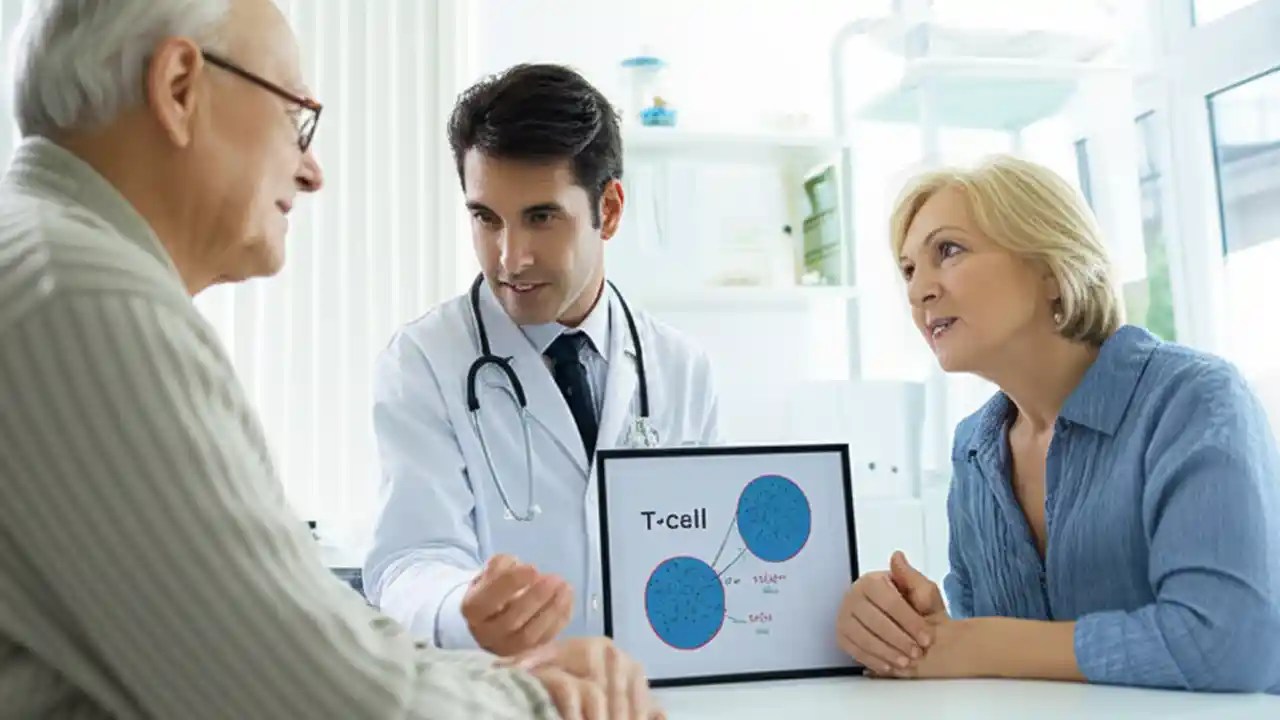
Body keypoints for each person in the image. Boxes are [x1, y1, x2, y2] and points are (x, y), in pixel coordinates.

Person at [0, 1, 660, 718]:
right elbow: (291, 691)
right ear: (180, 88)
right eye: (295, 116)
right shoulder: (85, 299)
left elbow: (298, 626)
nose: (312, 171)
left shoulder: (51, 271)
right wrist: (545, 702)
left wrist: (512, 684)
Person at [836, 154, 1280, 693]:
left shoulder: (1194, 401)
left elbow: (1229, 644)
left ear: (1050, 267)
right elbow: (1008, 671)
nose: (916, 291)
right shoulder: (973, 451)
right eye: (908, 270)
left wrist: (978, 641)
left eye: (947, 251)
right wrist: (916, 630)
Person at [364, 63, 721, 656]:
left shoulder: (681, 369)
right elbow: (409, 558)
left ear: (608, 210)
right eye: (486, 218)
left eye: (541, 217)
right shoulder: (424, 362)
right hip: (502, 696)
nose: (510, 259)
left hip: (651, 696)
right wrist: (462, 611)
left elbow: (708, 556)